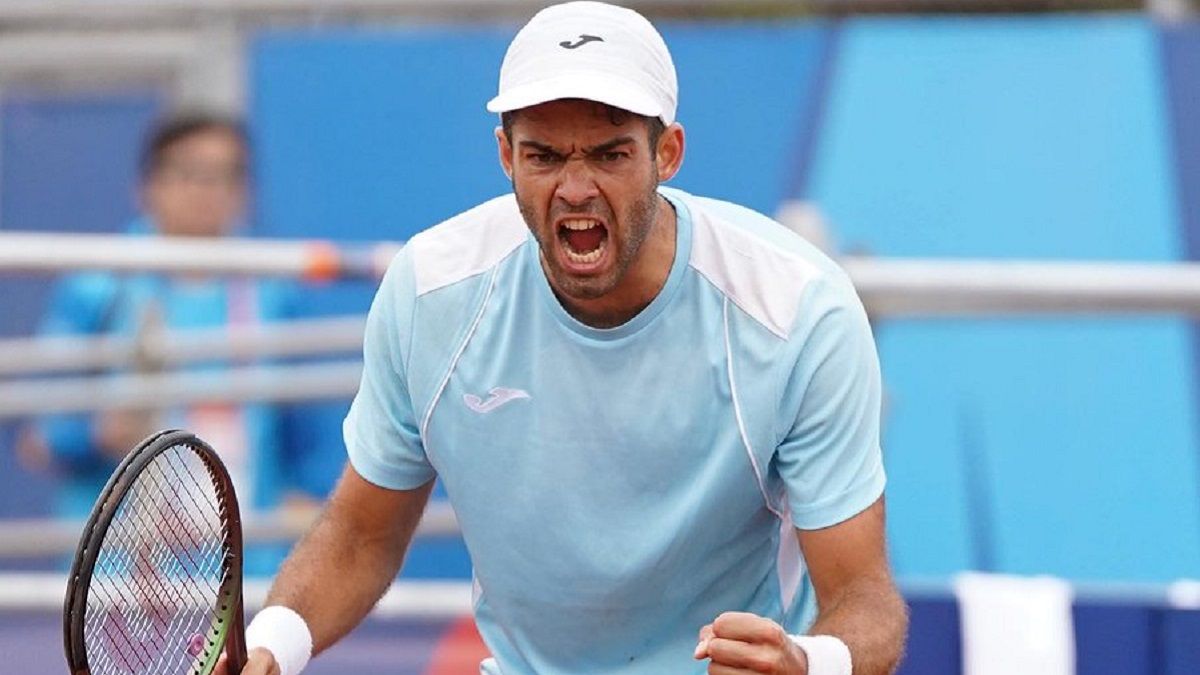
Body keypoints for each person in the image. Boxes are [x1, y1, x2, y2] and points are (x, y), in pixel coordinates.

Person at [227, 2, 908, 674]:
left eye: (610, 154)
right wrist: (273, 646)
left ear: (666, 153)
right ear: (505, 156)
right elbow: (360, 533)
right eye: (545, 155)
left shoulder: (798, 310)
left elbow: (862, 595)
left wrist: (809, 662)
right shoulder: (430, 292)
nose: (575, 187)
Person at [23, 112, 309, 537]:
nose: (208, 190)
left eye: (227, 175)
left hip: (241, 566)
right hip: (117, 575)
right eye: (191, 173)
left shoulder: (273, 291)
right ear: (147, 186)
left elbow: (305, 435)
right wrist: (98, 433)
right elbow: (39, 436)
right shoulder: (97, 287)